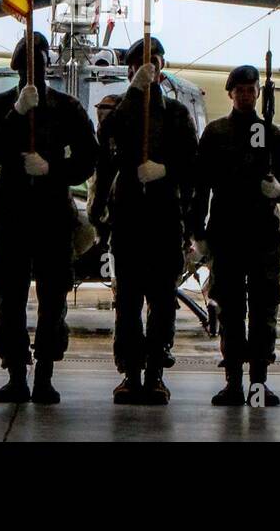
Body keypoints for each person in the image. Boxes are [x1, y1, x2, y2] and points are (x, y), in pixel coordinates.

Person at [0, 32, 97, 404]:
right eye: (29, 64)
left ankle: (44, 373)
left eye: (41, 64)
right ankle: (15, 373)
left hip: (52, 215)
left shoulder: (67, 107)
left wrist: (53, 168)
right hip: (11, 213)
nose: (35, 71)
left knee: (53, 294)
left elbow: (88, 157)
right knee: (8, 296)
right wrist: (17, 115)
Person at [90, 37, 198, 405]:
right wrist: (134, 95)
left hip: (166, 218)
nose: (148, 68)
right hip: (130, 218)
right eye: (140, 63)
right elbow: (104, 143)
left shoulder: (177, 114)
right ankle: (130, 373)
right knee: (129, 301)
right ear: (131, 68)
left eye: (154, 62)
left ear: (162, 68)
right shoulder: (121, 108)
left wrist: (166, 171)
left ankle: (155, 374)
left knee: (163, 301)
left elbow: (192, 166)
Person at [189, 65, 280, 407]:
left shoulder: (273, 135)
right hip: (228, 235)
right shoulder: (216, 134)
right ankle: (233, 383)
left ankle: (259, 384)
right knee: (231, 312)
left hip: (264, 237)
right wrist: (197, 231)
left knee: (264, 312)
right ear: (230, 93)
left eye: (252, 89)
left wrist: (276, 189)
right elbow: (200, 186)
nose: (247, 94)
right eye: (241, 89)